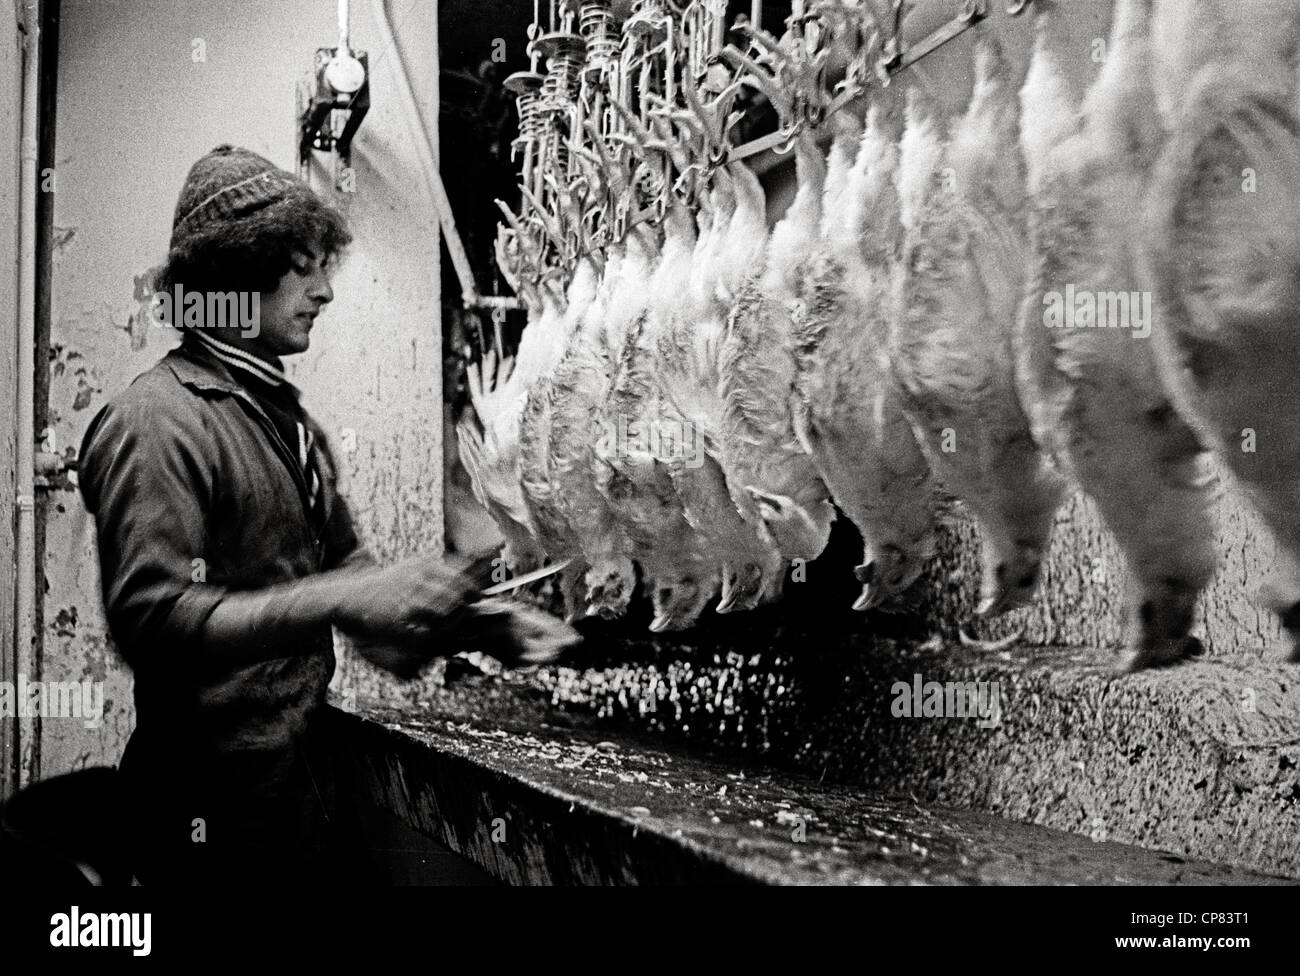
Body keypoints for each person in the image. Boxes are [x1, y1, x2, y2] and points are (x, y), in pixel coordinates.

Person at [77, 145, 566, 884]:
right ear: (236, 273)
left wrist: (466, 620)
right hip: (206, 826)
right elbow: (153, 622)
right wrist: (343, 597)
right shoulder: (157, 420)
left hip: (301, 798)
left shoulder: (285, 423)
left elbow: (352, 582)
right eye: (302, 267)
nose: (325, 291)